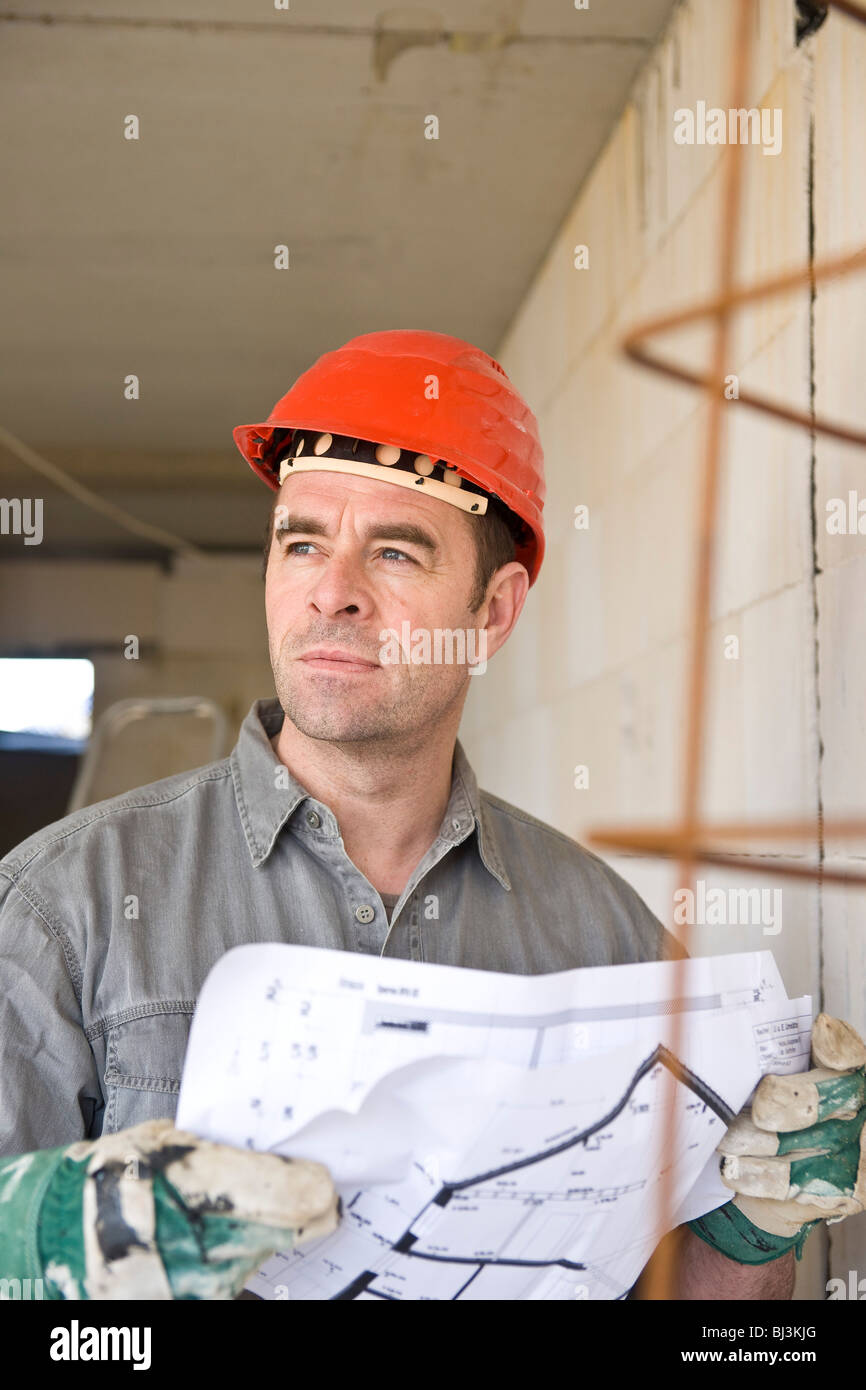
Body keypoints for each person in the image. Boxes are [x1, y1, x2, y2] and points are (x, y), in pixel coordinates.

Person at [0, 330, 862, 1300]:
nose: (331, 592)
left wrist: (747, 1230)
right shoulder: (62, 904)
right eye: (301, 542)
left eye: (395, 552)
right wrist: (30, 1255)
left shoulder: (606, 936)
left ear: (491, 613)